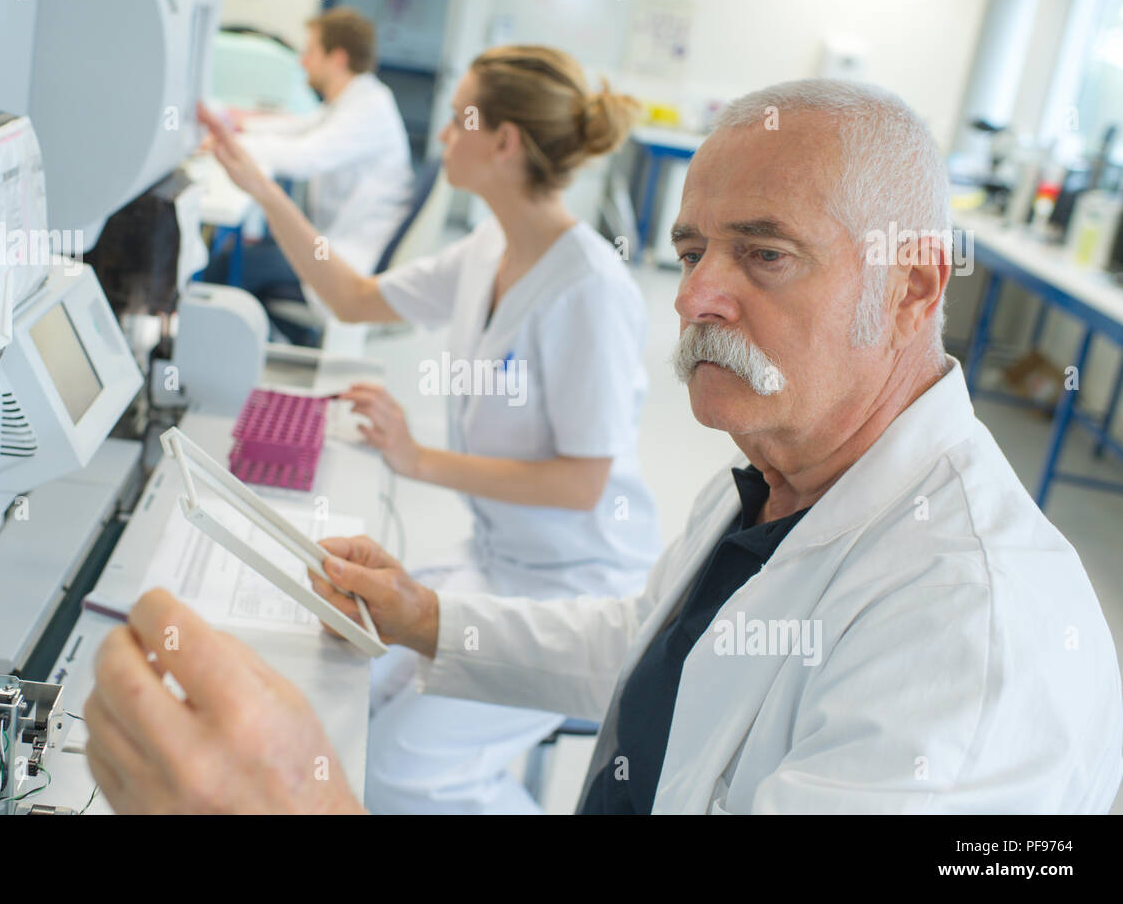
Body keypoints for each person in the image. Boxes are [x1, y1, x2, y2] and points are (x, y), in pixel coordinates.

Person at [87, 78, 1123, 814]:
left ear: (911, 287)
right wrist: (425, 619)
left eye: (764, 253)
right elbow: (644, 649)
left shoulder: (967, 631)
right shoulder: (774, 481)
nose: (696, 295)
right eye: (691, 251)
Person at [194, 45, 662, 813]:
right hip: (496, 564)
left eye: (458, 119)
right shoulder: (490, 248)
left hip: (575, 595)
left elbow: (583, 483)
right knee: (340, 696)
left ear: (504, 142)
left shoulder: (589, 289)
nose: (442, 135)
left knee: (402, 773)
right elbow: (352, 296)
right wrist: (261, 188)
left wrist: (417, 458)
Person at [202, 6, 411, 340]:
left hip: (342, 261)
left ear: (337, 58)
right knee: (238, 251)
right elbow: (301, 128)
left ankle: (197, 348)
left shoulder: (370, 110)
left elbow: (305, 157)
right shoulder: (355, 100)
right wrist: (240, 127)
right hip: (329, 244)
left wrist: (226, 145)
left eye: (311, 52)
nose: (302, 62)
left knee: (223, 266)